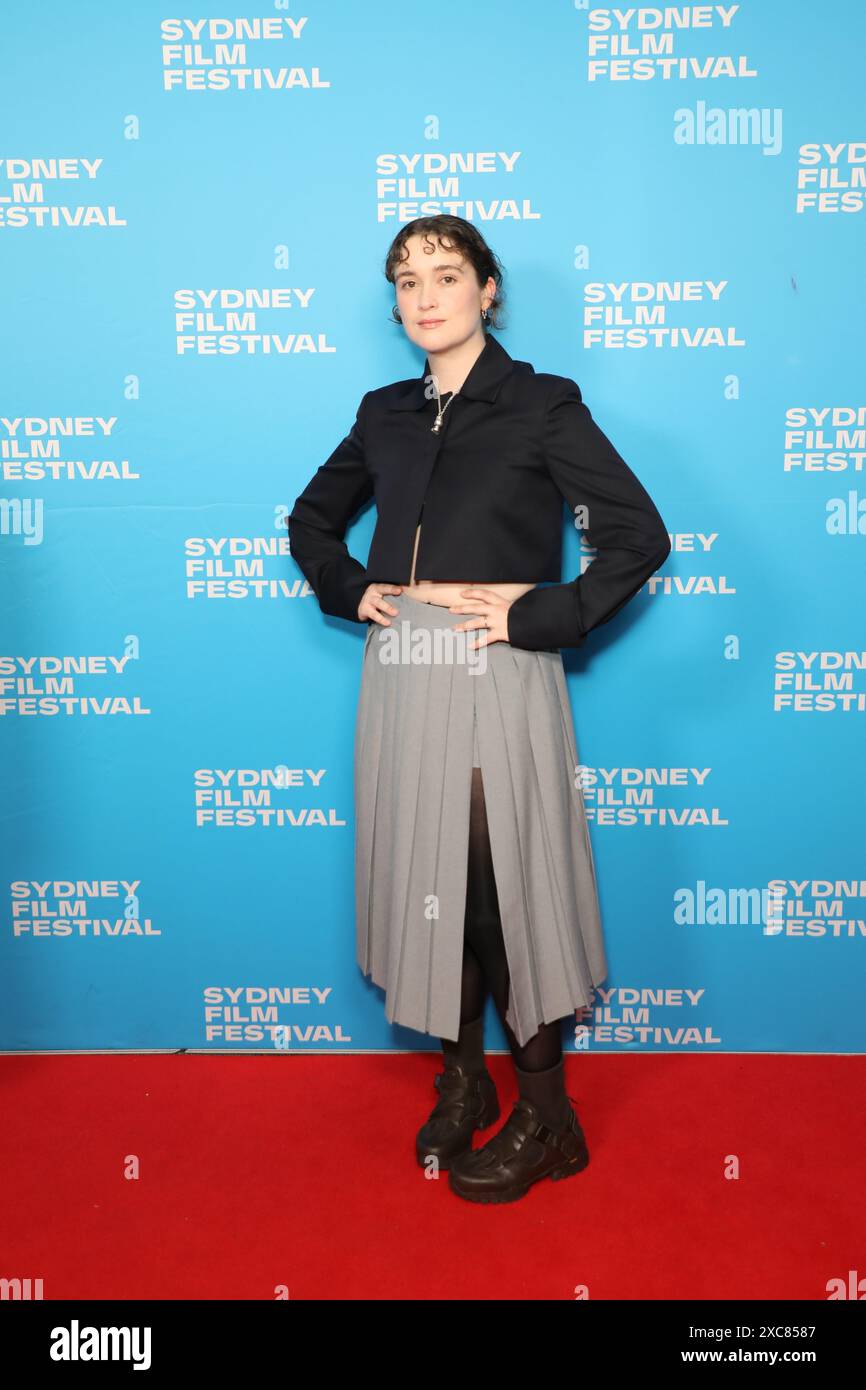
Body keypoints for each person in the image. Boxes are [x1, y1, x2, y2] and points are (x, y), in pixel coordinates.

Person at [287, 215, 671, 1204]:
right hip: (401, 668)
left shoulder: (541, 403)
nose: (425, 296)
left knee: (499, 889)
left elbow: (636, 535)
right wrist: (349, 587)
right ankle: (463, 1079)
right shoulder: (383, 412)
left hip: (492, 662)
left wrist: (536, 613)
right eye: (406, 279)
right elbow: (311, 521)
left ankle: (548, 1117)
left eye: (446, 274)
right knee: (429, 881)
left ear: (487, 289)